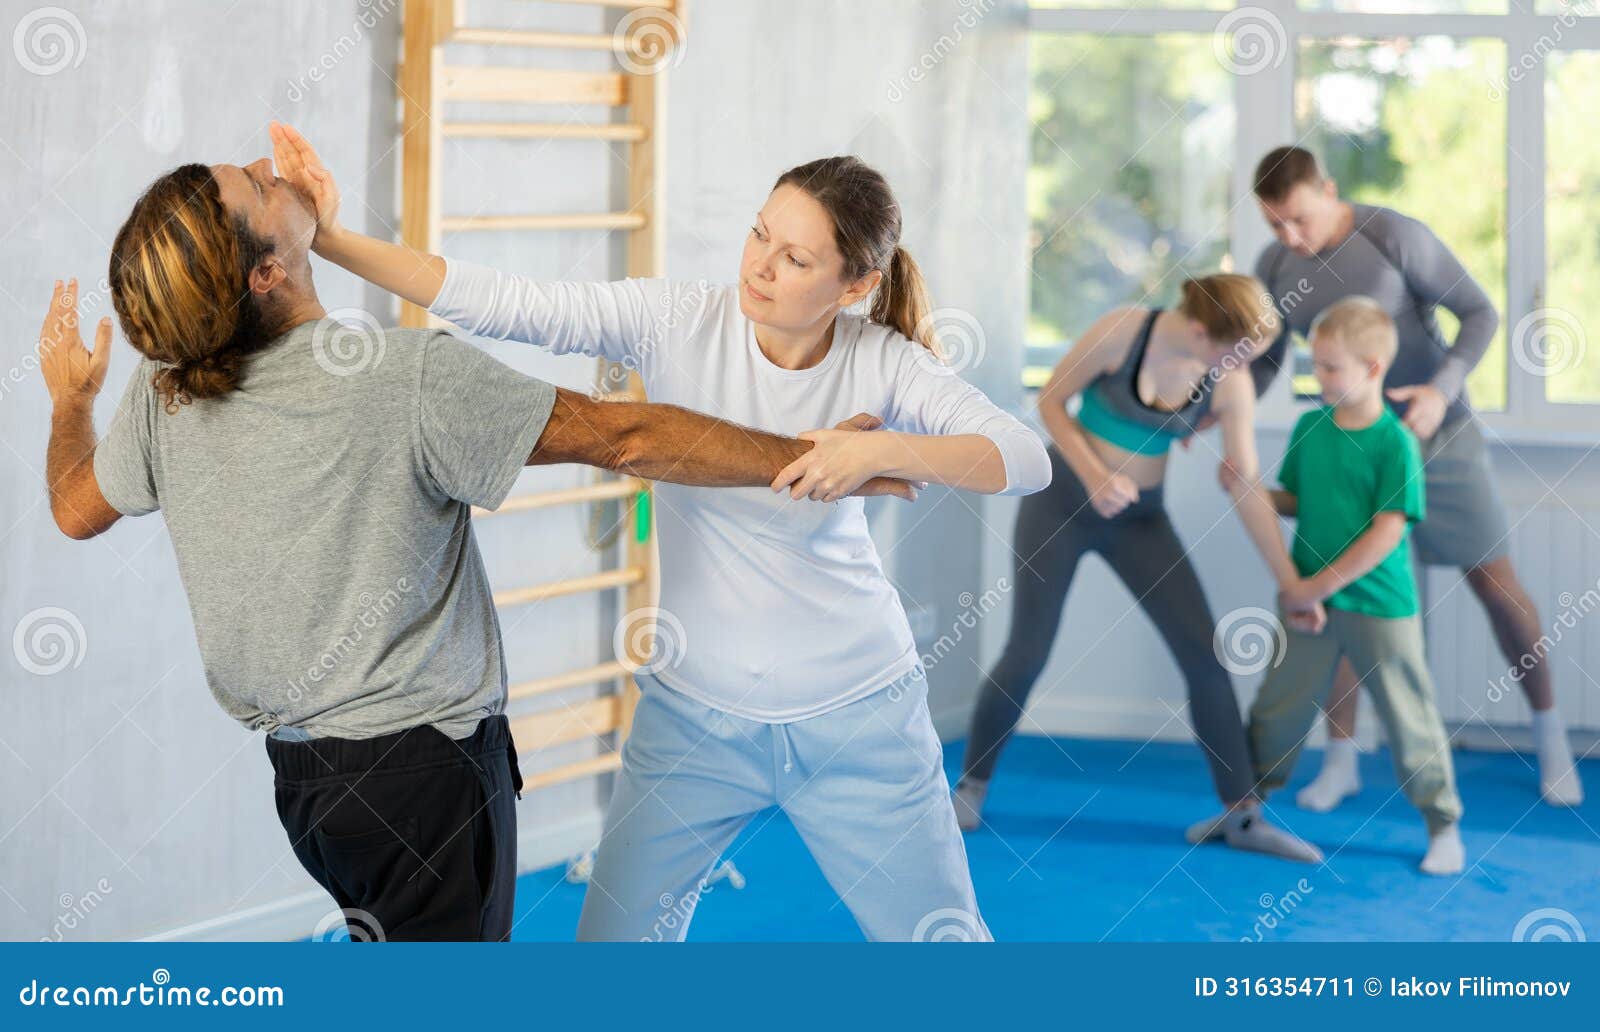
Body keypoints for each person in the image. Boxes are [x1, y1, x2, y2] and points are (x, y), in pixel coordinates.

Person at [38, 159, 918, 942]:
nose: (273, 169)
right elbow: (626, 436)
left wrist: (71, 402)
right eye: (259, 187)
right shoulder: (403, 376)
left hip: (305, 784)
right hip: (423, 780)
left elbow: (75, 509)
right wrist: (815, 458)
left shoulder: (170, 396)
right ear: (267, 272)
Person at [270, 122, 1051, 941]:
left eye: (796, 259)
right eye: (760, 233)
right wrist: (333, 238)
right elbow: (505, 302)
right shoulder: (677, 318)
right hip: (693, 724)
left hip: (861, 715)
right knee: (614, 958)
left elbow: (1023, 456)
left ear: (853, 285)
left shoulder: (885, 362)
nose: (760, 264)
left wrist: (877, 449)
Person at [952, 273, 1324, 864]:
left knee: (1205, 654)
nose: (1238, 368)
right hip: (1061, 504)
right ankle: (969, 788)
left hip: (1141, 520)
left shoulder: (1227, 380)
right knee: (1027, 651)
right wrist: (1096, 476)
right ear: (1202, 331)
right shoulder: (1124, 332)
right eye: (1234, 353)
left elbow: (1246, 484)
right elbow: (1050, 401)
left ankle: (1242, 815)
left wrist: (1293, 585)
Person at [1251, 146, 1582, 808]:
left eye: (1299, 219)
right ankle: (1341, 761)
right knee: (1347, 596)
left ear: (1327, 189)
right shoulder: (1275, 265)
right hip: (1351, 446)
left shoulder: (1394, 235)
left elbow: (1480, 313)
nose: (1291, 237)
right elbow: (1266, 362)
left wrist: (1438, 391)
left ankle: (1553, 741)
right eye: (1275, 224)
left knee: (1495, 581)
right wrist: (1216, 414)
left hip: (1438, 432)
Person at [1231, 297, 1465, 875]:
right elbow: (1296, 500)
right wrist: (1248, 487)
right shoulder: (1310, 427)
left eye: (1332, 367)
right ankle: (1244, 810)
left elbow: (1388, 532)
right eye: (1316, 364)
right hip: (1307, 599)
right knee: (1276, 707)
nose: (1319, 376)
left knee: (1409, 715)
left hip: (1378, 603)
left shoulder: (1395, 443)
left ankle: (1443, 826)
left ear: (1374, 369)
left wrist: (1316, 586)